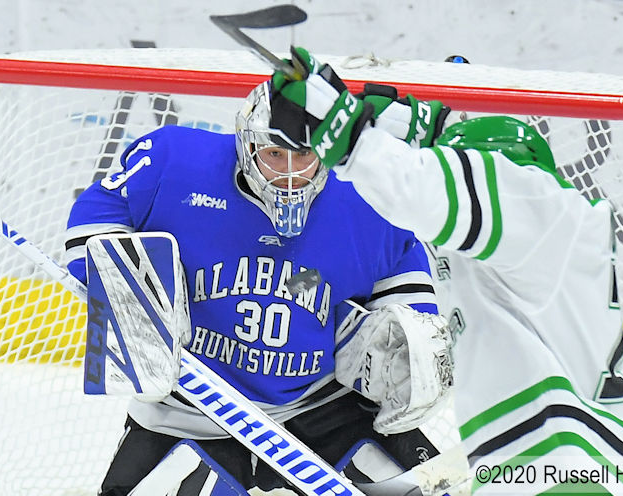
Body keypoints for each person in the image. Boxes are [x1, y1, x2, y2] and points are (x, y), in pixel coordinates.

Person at [266, 47, 623, 495]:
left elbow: (425, 190)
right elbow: (449, 157)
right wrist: (406, 125)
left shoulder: (530, 196)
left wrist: (345, 130)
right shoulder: (533, 236)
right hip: (559, 470)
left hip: (568, 473)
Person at [64, 78, 454, 495]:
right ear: (246, 147)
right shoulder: (173, 162)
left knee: (435, 488)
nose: (288, 174)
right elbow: (91, 222)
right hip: (191, 405)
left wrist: (406, 348)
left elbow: (410, 300)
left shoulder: (369, 199)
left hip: (322, 404)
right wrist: (132, 293)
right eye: (273, 154)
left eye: (303, 155)